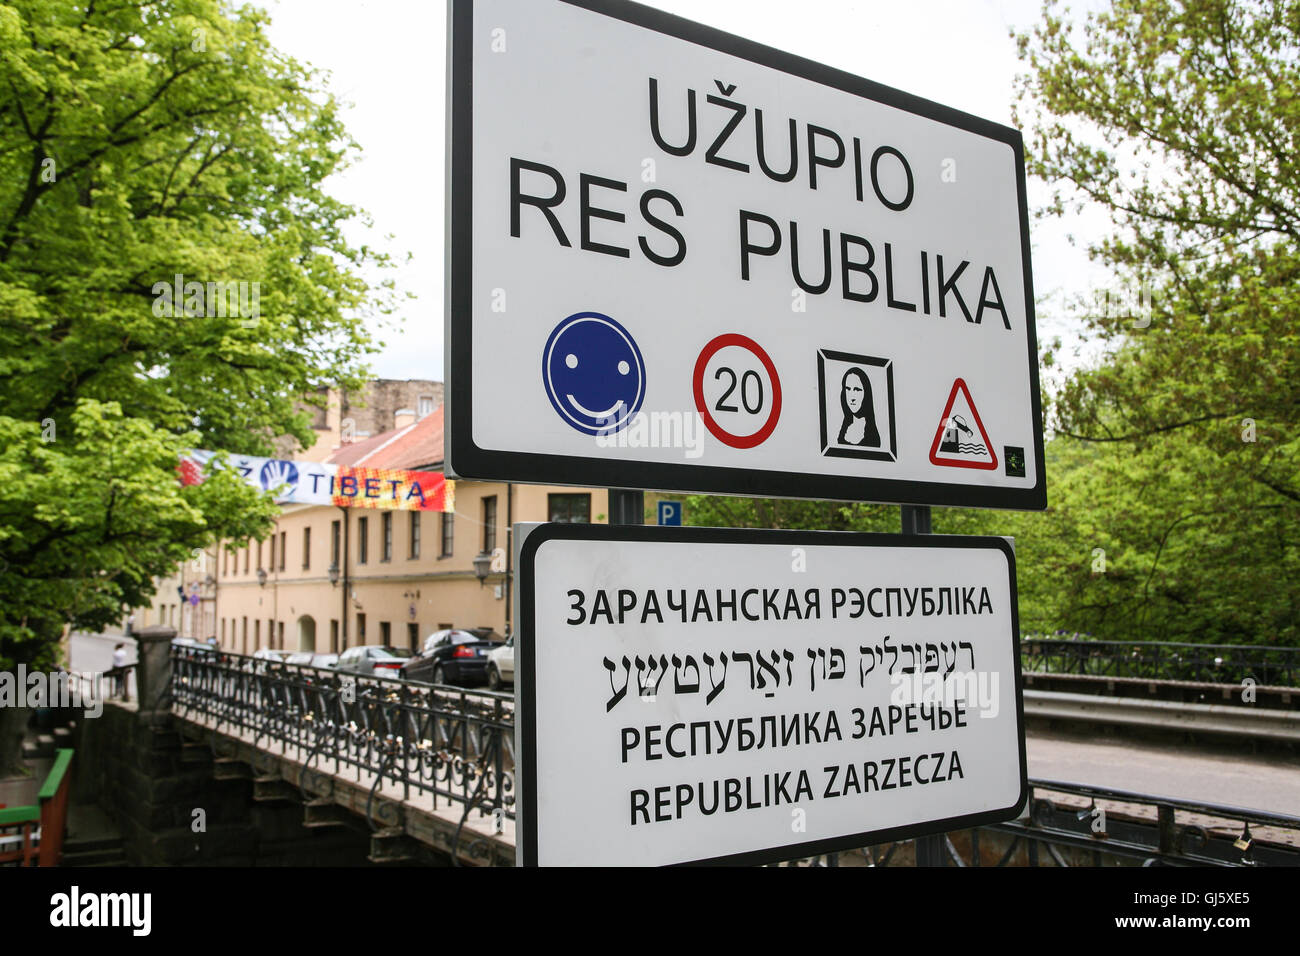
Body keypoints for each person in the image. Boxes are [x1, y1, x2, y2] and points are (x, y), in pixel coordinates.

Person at [836, 367, 881, 447]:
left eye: (857, 390)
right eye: (848, 389)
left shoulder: (872, 435)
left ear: (866, 393)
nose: (852, 397)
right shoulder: (844, 427)